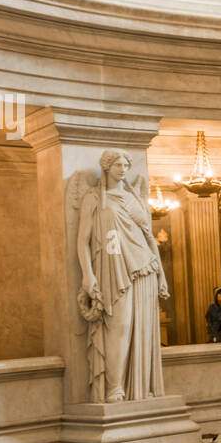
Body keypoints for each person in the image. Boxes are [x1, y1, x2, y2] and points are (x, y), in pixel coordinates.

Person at [75, 149, 168, 402]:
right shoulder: (94, 198)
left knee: (142, 328)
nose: (123, 169)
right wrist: (88, 275)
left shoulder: (132, 198)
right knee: (120, 326)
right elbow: (82, 241)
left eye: (126, 164)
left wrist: (162, 275)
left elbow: (149, 237)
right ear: (106, 167)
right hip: (114, 267)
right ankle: (115, 387)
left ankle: (140, 387)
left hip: (145, 268)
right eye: (118, 164)